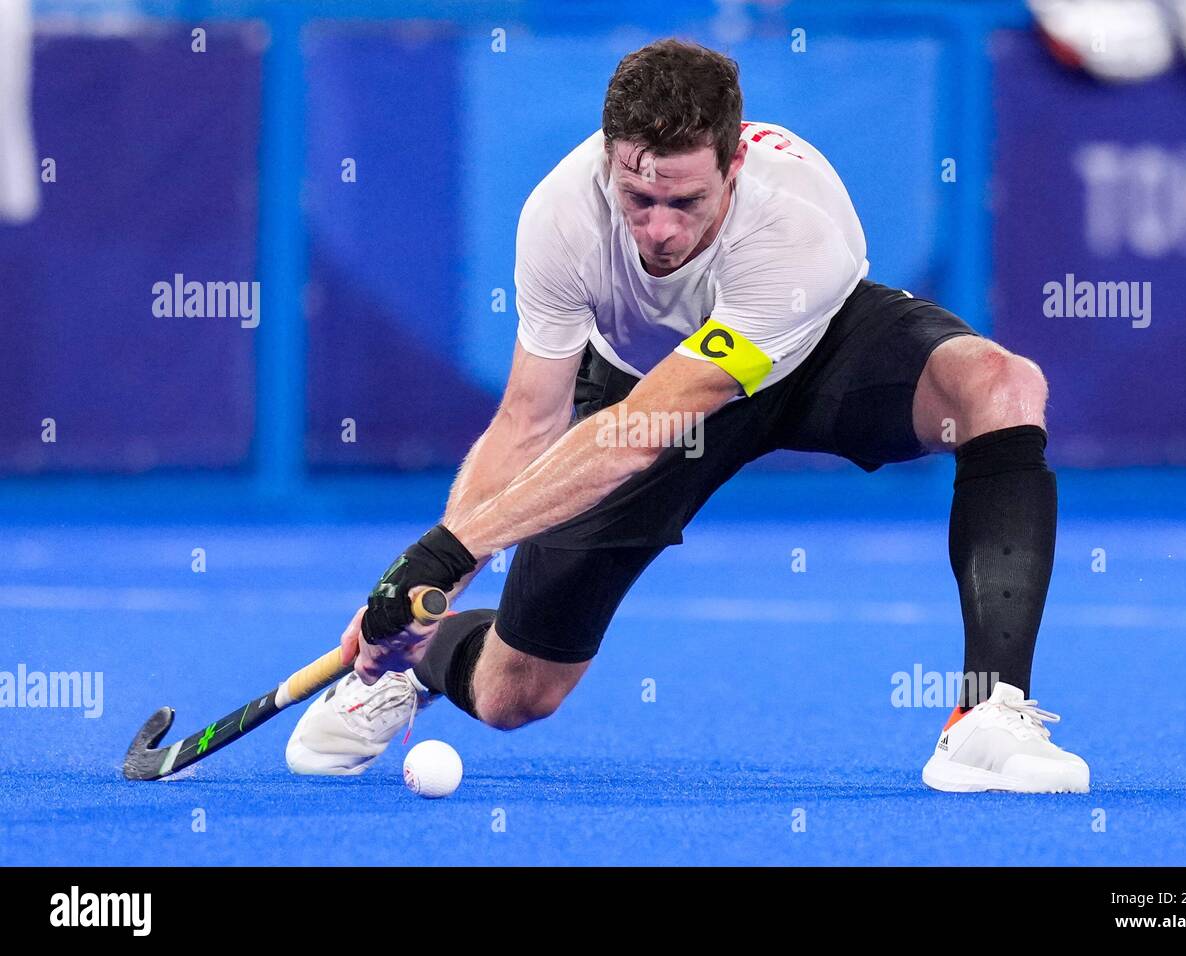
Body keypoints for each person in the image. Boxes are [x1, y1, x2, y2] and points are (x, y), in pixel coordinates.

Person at [286, 38, 1088, 794]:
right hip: (636, 379)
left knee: (998, 384)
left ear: (734, 165)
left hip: (805, 353)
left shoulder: (796, 229)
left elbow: (647, 430)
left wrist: (437, 554)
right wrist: (429, 581)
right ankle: (418, 670)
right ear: (609, 161)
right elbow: (528, 423)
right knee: (514, 694)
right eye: (638, 197)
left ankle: (987, 712)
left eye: (687, 201)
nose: (660, 230)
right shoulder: (561, 217)